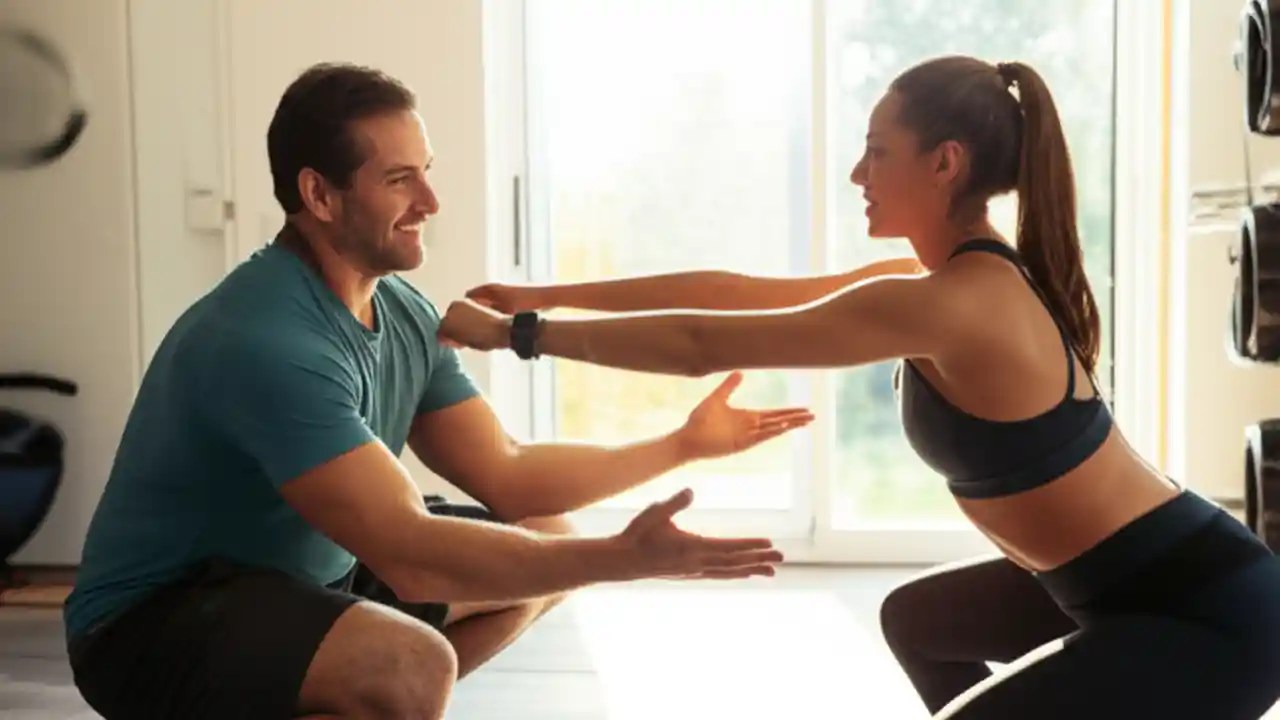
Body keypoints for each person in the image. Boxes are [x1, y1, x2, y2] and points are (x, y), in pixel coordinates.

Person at [440, 55, 1280, 719]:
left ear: (945, 162)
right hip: (1106, 586)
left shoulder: (956, 305)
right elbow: (738, 292)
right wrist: (542, 296)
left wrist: (521, 340)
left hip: (1202, 610)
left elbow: (703, 342)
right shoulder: (932, 284)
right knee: (917, 622)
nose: (857, 173)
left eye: (877, 151)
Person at [62, 62, 808, 720]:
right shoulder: (266, 340)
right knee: (408, 662)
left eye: (427, 170)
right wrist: (626, 558)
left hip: (301, 581)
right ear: (320, 196)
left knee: (544, 541)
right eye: (399, 180)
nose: (431, 200)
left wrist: (682, 445)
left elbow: (509, 473)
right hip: (153, 622)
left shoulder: (403, 311)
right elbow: (413, 554)